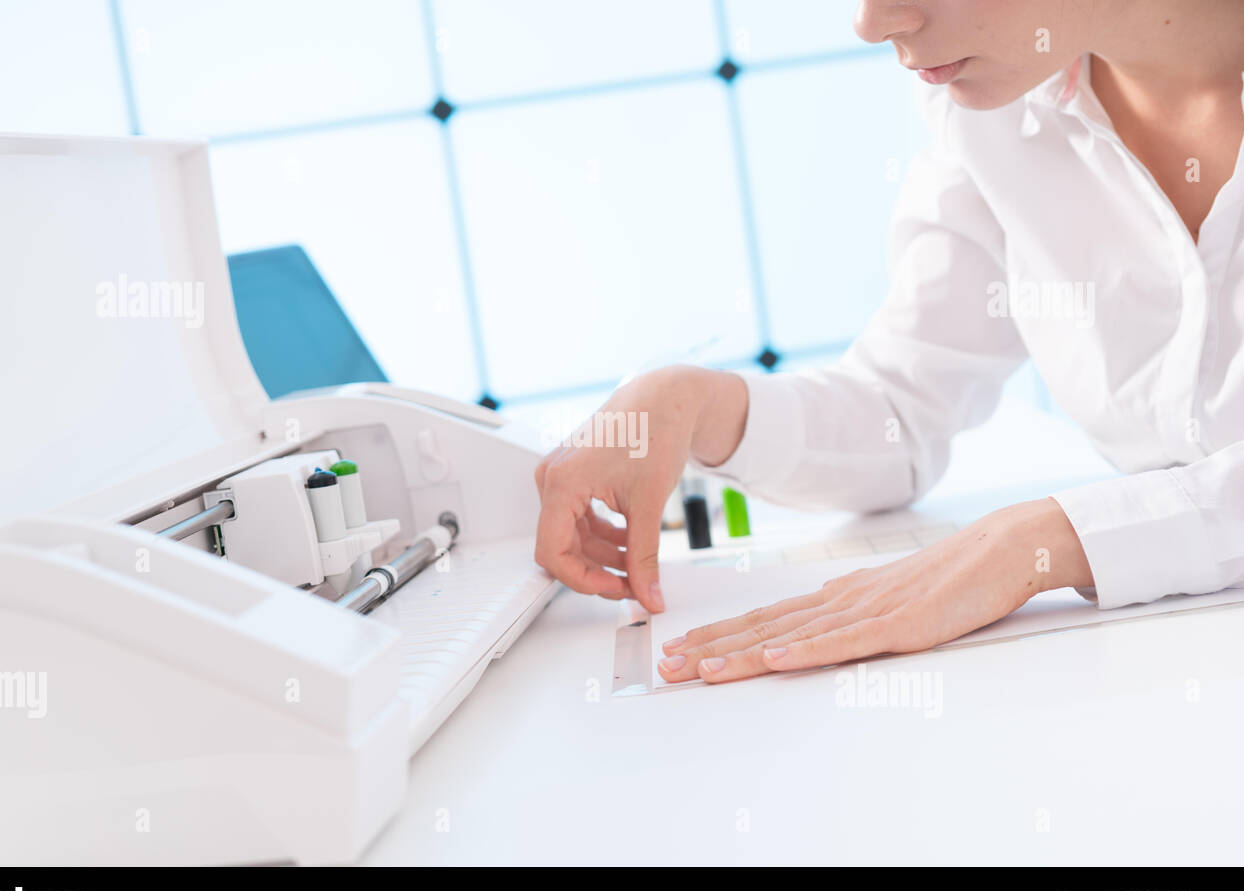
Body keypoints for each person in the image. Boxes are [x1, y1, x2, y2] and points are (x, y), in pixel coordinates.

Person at [532, 0, 1244, 684]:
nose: (871, 23)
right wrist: (693, 404)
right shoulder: (999, 109)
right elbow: (901, 406)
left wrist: (1048, 539)